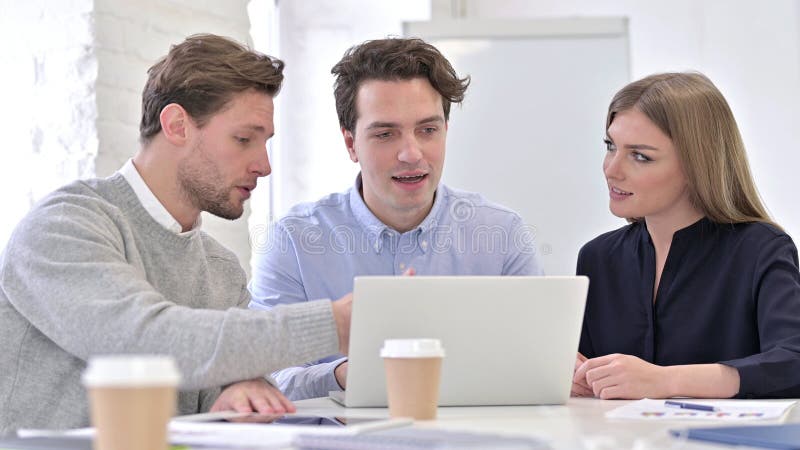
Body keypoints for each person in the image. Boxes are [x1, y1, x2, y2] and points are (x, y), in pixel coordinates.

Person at [0, 33, 352, 434]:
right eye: (243, 139)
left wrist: (241, 393)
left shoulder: (221, 270)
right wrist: (329, 323)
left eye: (265, 142)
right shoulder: (65, 226)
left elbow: (219, 387)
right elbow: (145, 342)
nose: (263, 165)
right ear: (177, 125)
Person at [247, 37, 544, 401]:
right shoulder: (293, 241)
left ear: (446, 132)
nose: (411, 153)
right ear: (351, 144)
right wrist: (344, 375)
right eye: (386, 134)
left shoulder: (502, 235)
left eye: (427, 130)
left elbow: (535, 365)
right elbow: (264, 378)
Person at [572, 72, 800, 399]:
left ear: (697, 164)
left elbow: (792, 363)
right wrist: (572, 377)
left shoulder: (760, 249)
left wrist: (665, 381)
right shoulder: (597, 258)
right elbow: (588, 378)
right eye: (611, 146)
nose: (612, 169)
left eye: (640, 156)